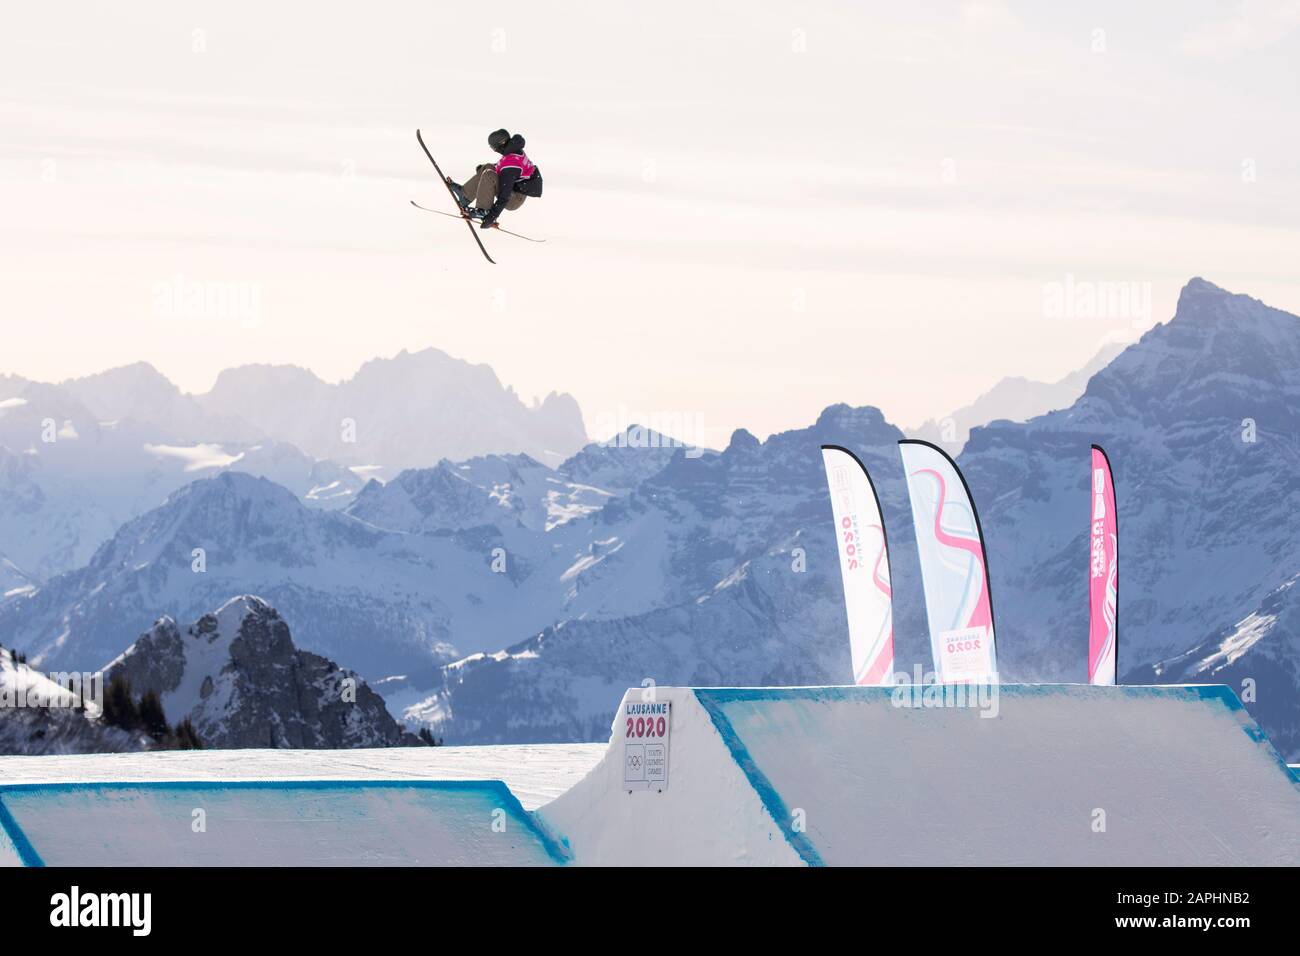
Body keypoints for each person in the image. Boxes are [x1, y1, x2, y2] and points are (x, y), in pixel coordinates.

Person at [448, 129, 543, 229]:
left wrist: (491, 217)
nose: (495, 150)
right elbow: (504, 168)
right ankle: (465, 195)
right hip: (515, 190)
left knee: (489, 174)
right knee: (487, 167)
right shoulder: (514, 149)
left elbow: (504, 196)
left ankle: (483, 211)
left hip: (514, 199)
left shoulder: (511, 165)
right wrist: (482, 170)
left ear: (500, 144)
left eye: (494, 148)